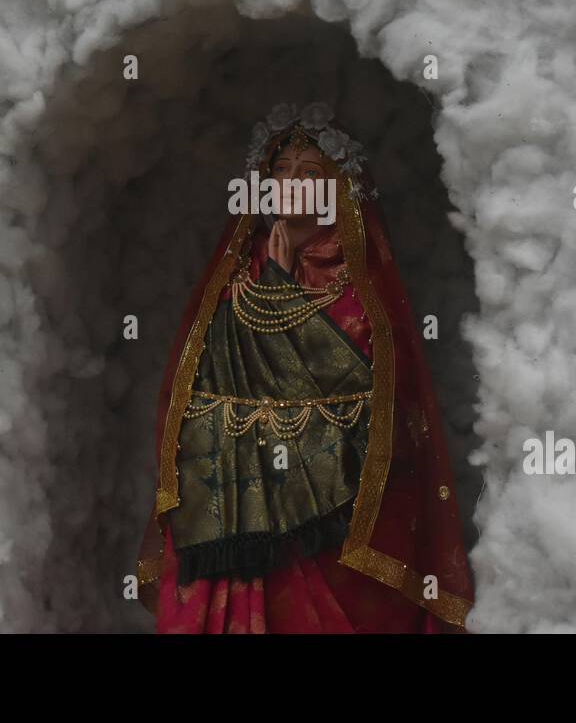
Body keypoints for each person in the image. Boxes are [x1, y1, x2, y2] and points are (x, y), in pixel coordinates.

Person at [135, 103, 473, 632]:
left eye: (310, 172)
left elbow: (370, 407)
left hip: (324, 518)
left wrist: (282, 282)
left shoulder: (361, 291)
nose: (291, 181)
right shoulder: (232, 278)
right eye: (281, 170)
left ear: (340, 188)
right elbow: (203, 391)